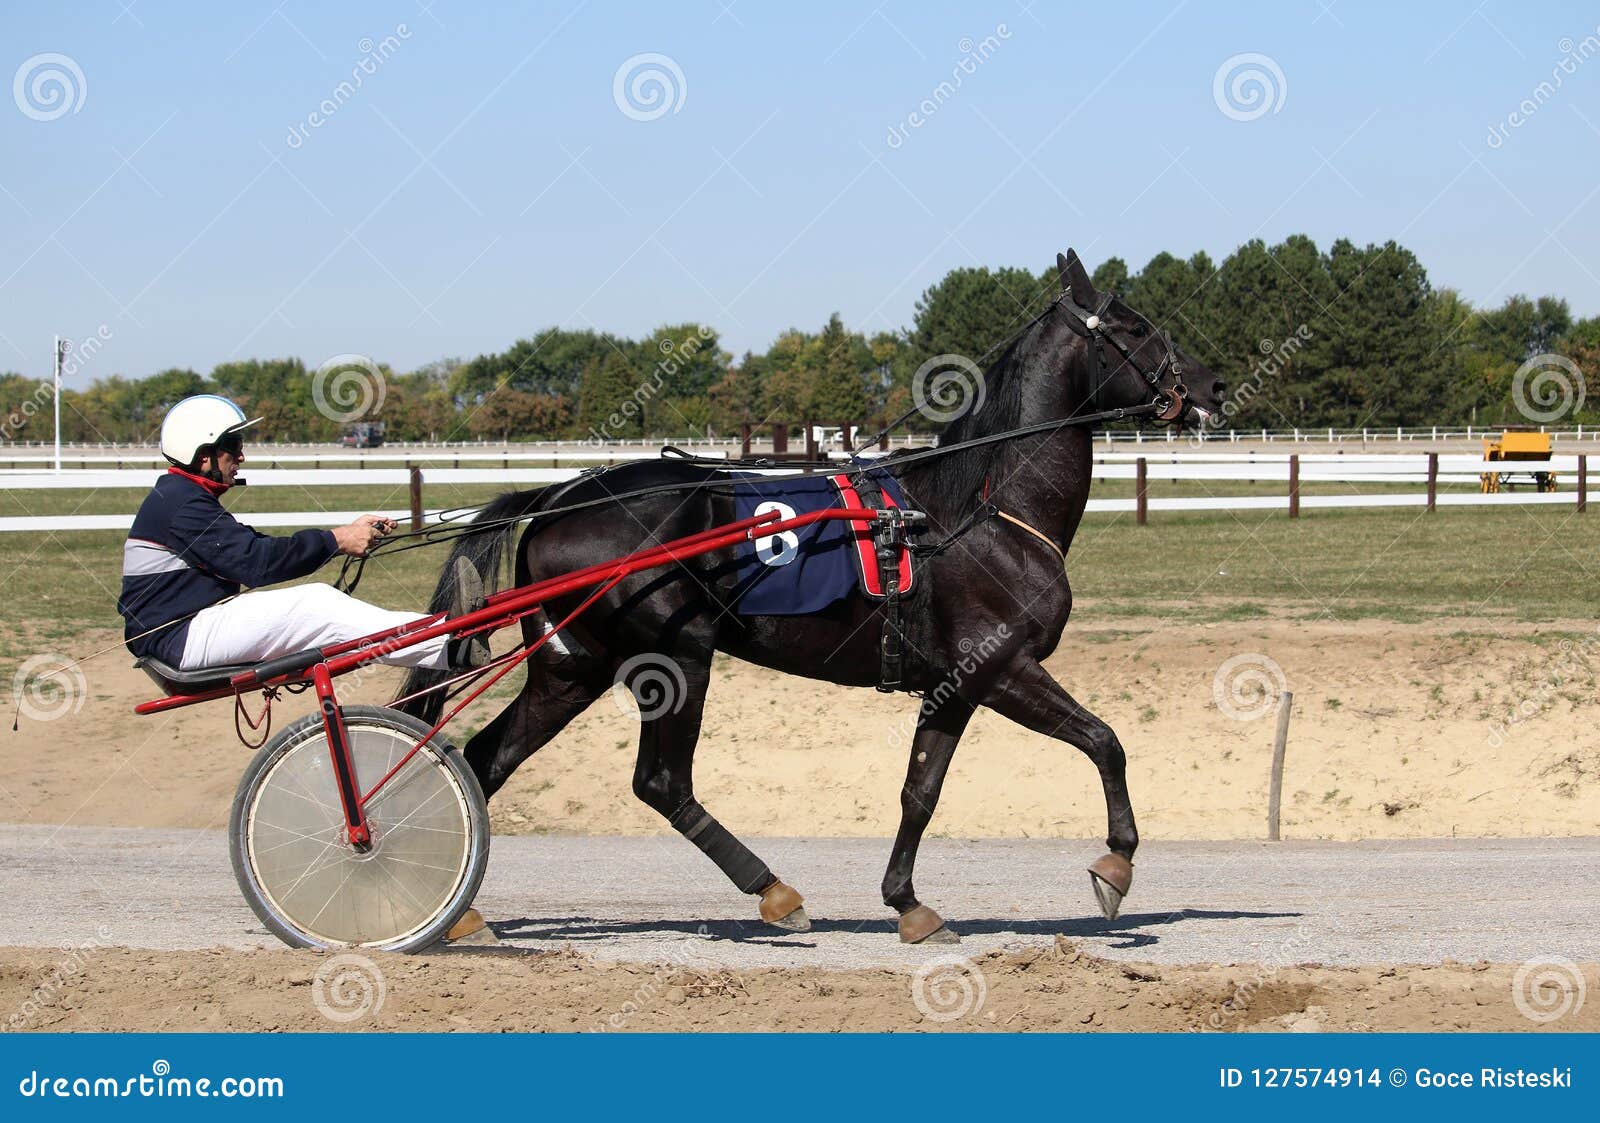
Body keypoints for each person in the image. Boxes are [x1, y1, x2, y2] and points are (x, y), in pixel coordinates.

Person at [117, 394, 487, 674]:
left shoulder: (180, 496)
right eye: (233, 446)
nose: (241, 456)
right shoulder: (182, 503)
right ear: (202, 455)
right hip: (177, 637)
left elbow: (253, 548)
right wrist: (338, 540)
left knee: (321, 611)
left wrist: (344, 536)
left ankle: (444, 638)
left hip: (183, 630)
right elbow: (257, 564)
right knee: (316, 607)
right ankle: (448, 642)